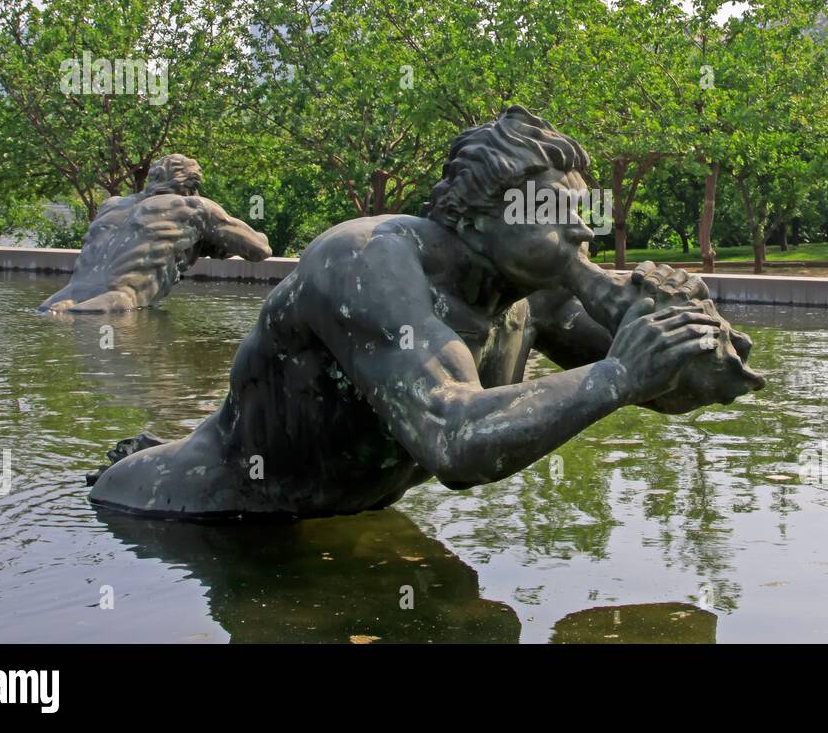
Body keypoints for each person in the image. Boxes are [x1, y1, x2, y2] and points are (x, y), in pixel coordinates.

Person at [89, 108, 762, 518]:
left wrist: (697, 328)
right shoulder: (366, 262)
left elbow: (678, 388)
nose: (582, 236)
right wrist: (618, 375)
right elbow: (454, 440)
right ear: (478, 213)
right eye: (555, 217)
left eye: (582, 219)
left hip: (344, 523)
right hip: (205, 513)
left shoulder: (531, 296)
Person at [39, 154, 271, 313]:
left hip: (55, 302)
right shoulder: (193, 207)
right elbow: (258, 250)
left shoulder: (111, 205)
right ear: (192, 185)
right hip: (115, 306)